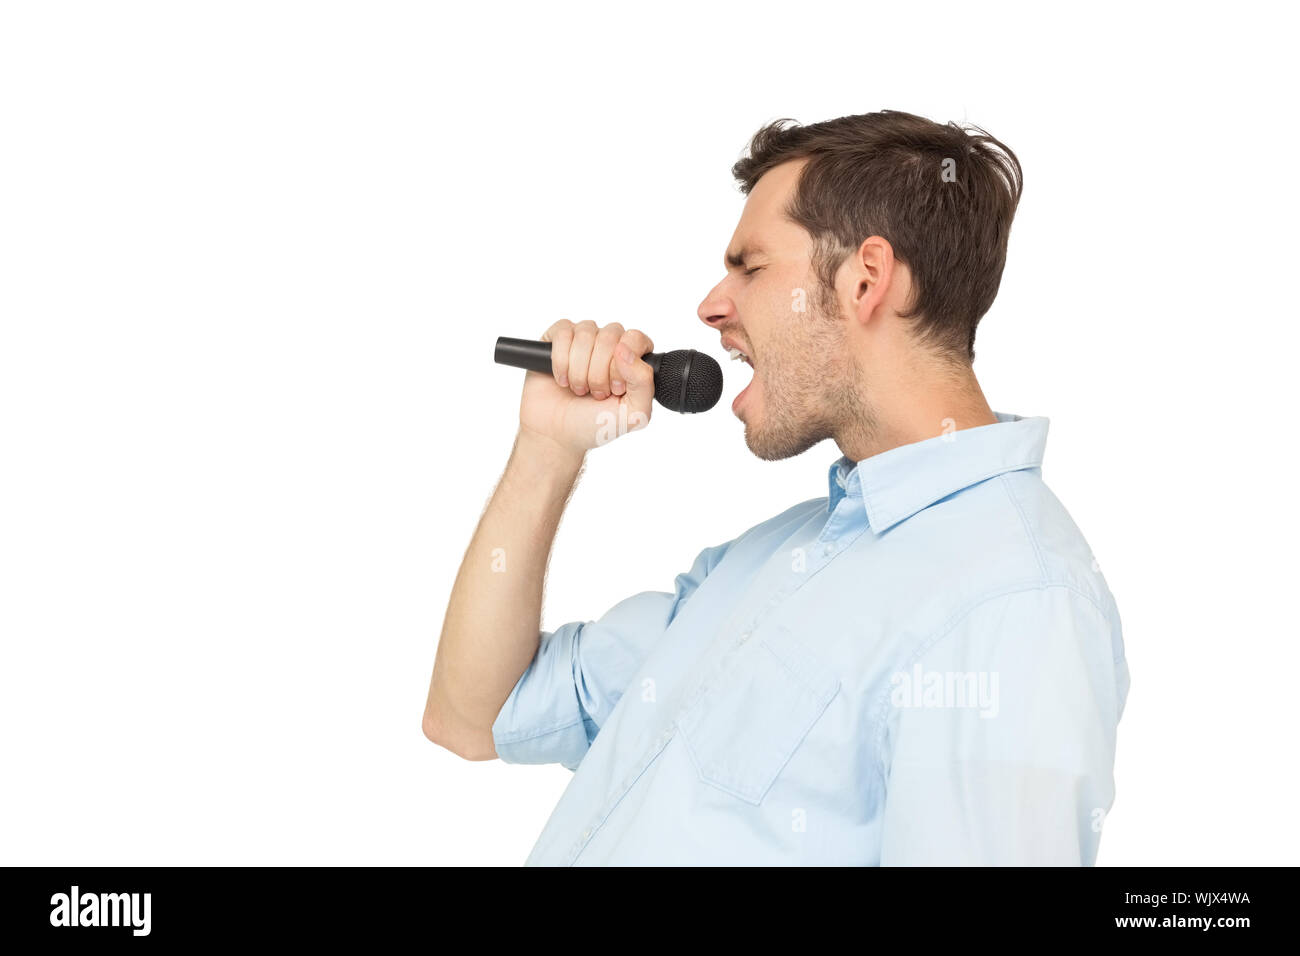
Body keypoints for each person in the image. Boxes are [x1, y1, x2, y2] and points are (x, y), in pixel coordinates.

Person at [422, 109, 1130, 865]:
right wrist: (547, 451)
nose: (711, 306)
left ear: (865, 279)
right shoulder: (766, 560)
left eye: (750, 266)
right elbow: (476, 717)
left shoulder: (1015, 602)